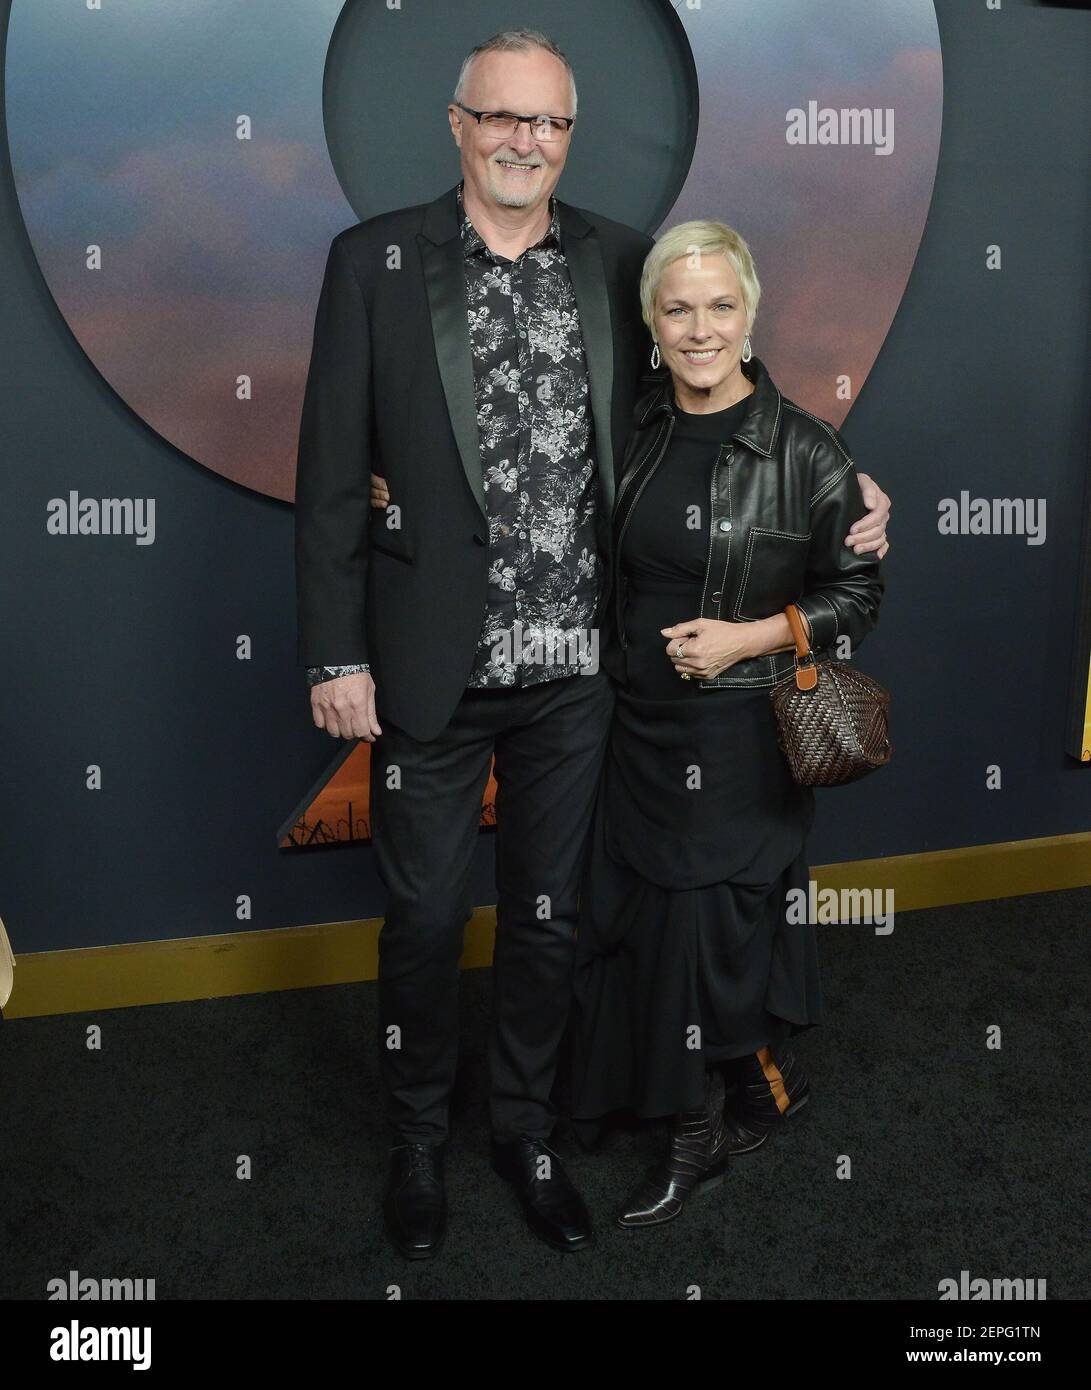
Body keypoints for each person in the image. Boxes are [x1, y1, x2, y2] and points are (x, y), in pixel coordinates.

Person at [300, 29, 891, 1260]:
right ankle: (415, 1138)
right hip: (425, 667)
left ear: (569, 136)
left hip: (579, 673)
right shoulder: (372, 262)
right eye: (502, 118)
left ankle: (524, 1130)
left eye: (549, 124)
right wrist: (332, 656)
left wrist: (828, 476)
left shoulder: (615, 260)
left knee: (551, 920)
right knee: (419, 922)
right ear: (457, 125)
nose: (525, 142)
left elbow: (706, 367)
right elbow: (324, 486)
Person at [566, 219, 885, 1229]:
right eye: (676, 308)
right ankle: (752, 1086)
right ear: (651, 324)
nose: (698, 327)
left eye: (718, 305)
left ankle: (694, 1129)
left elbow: (857, 595)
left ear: (747, 317)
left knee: (706, 919)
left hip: (740, 735)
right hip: (635, 721)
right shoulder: (638, 426)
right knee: (648, 914)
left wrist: (748, 639)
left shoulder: (804, 449)